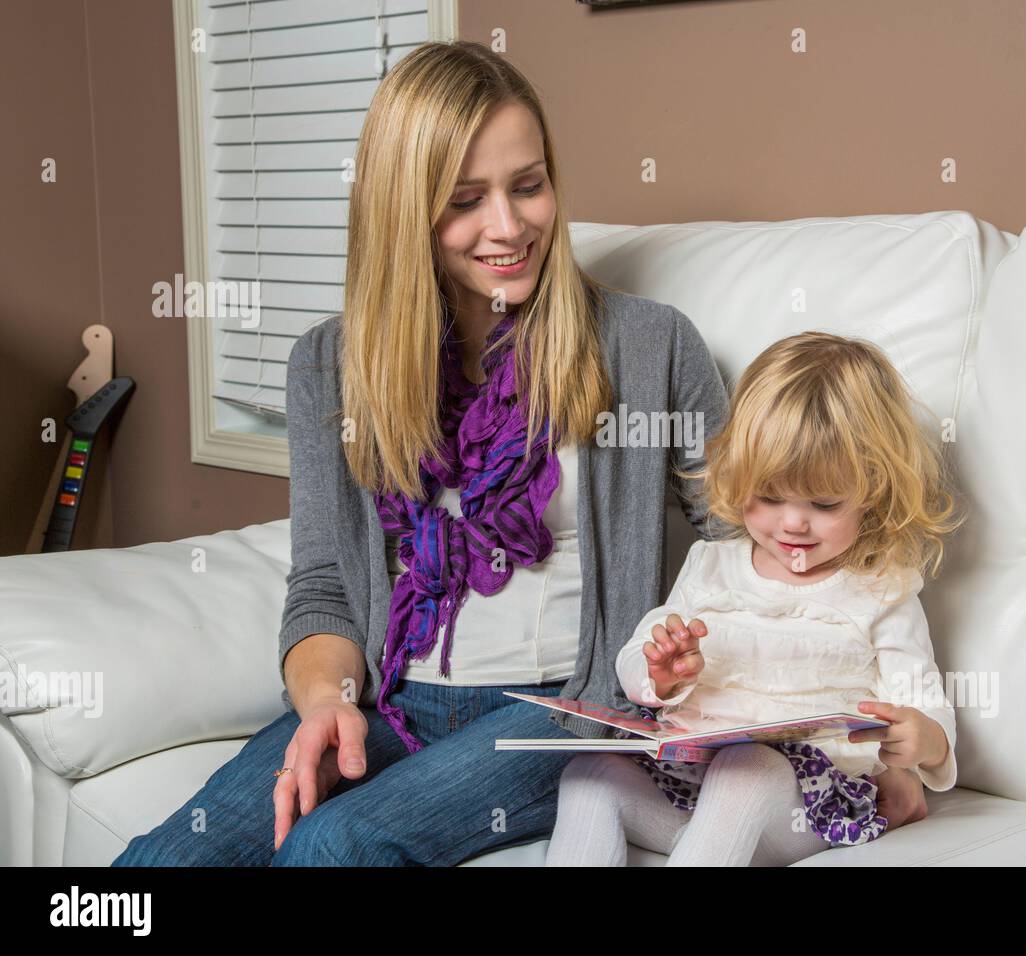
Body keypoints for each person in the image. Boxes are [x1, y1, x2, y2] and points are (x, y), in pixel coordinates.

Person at [113, 40, 925, 867]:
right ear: (404, 212)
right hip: (390, 697)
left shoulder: (650, 348)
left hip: (561, 712)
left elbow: (752, 541)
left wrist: (860, 725)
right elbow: (324, 581)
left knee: (335, 846)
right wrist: (326, 699)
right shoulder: (328, 365)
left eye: (528, 185)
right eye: (466, 200)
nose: (509, 226)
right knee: (162, 863)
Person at [546, 331, 965, 866]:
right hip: (688, 788)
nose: (792, 523)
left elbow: (924, 701)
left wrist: (924, 741)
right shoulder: (711, 564)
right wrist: (662, 675)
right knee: (588, 776)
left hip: (805, 803)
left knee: (748, 769)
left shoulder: (881, 590)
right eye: (768, 497)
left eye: (824, 502)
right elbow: (637, 657)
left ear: (873, 490)